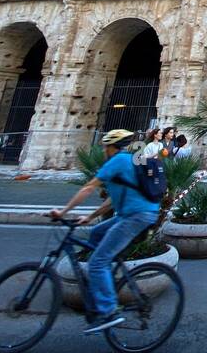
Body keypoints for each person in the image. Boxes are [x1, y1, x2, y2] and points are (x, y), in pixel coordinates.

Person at [50, 129, 160, 333]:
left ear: (110, 148)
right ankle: (107, 276)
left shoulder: (117, 161)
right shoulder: (130, 160)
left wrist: (63, 211)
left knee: (98, 261)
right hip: (130, 213)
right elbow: (112, 199)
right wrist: (90, 218)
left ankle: (108, 310)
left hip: (137, 215)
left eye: (104, 147)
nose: (103, 150)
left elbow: (88, 188)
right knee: (97, 233)